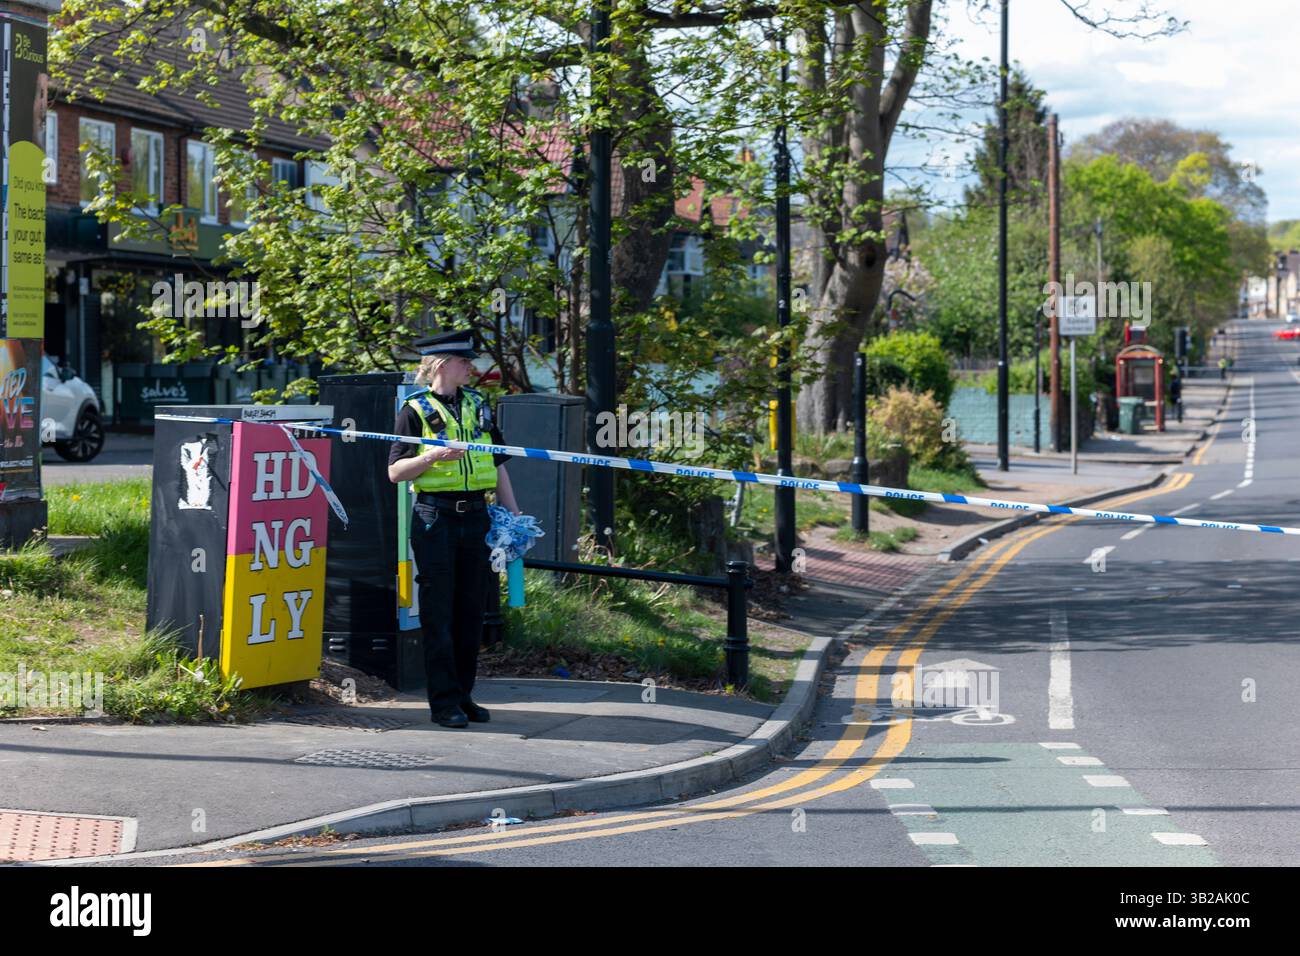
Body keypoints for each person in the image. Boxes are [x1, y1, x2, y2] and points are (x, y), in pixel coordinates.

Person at [387, 330, 520, 728]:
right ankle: (443, 703)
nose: (472, 368)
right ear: (443, 364)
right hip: (435, 518)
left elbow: (496, 464)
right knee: (439, 612)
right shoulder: (414, 409)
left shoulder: (479, 405)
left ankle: (464, 695)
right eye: (465, 362)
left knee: (470, 612)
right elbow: (395, 471)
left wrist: (513, 516)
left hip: (477, 516)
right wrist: (431, 457)